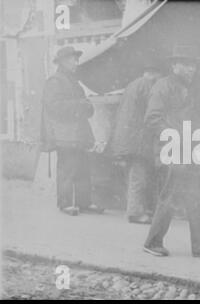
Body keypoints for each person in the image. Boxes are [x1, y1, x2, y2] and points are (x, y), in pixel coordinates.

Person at [142, 45, 200, 258]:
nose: (192, 69)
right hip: (171, 151)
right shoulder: (163, 86)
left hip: (186, 151)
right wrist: (175, 138)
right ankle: (153, 243)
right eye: (186, 65)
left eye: (193, 65)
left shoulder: (186, 88)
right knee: (170, 197)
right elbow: (152, 118)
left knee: (196, 197)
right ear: (174, 65)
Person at [41, 46, 103, 216]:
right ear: (62, 62)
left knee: (83, 168)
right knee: (67, 168)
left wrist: (86, 106)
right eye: (72, 59)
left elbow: (84, 104)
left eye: (76, 59)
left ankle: (84, 202)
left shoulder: (73, 81)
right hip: (65, 134)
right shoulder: (55, 81)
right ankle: (65, 203)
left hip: (78, 133)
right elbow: (54, 107)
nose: (76, 63)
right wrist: (81, 105)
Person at [109, 62, 163, 224]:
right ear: (154, 73)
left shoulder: (133, 84)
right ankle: (135, 212)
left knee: (135, 175)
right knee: (138, 176)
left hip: (127, 136)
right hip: (136, 138)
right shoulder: (146, 86)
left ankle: (138, 209)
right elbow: (151, 109)